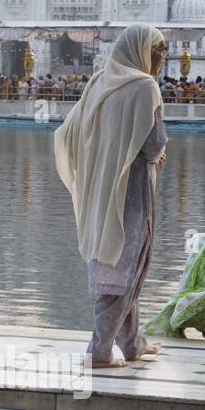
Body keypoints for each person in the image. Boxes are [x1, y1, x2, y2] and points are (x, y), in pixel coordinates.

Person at [54, 24, 169, 369]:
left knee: (115, 264)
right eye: (158, 53)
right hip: (132, 189)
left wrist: (101, 158)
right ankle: (99, 350)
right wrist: (152, 152)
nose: (160, 61)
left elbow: (69, 131)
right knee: (127, 267)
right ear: (143, 53)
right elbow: (153, 145)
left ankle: (132, 343)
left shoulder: (98, 83)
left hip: (101, 188)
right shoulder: (144, 86)